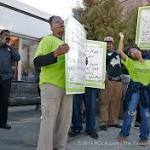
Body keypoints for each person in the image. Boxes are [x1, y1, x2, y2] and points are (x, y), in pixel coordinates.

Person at [34, 16, 72, 150]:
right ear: (51, 26)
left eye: (62, 22)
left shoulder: (69, 43)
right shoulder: (47, 40)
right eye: (57, 22)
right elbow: (37, 62)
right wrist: (56, 53)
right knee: (49, 120)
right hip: (51, 85)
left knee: (64, 122)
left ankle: (59, 146)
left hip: (68, 87)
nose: (61, 23)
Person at [117, 32, 150, 146]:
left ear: (140, 51)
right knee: (130, 112)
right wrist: (122, 38)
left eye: (134, 50)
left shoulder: (149, 62)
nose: (133, 52)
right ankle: (123, 134)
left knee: (145, 115)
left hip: (146, 92)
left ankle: (144, 137)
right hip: (135, 91)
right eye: (130, 52)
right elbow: (120, 52)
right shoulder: (130, 63)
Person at [99, 36, 123, 131]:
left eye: (110, 43)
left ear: (113, 44)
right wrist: (121, 39)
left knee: (116, 102)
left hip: (118, 82)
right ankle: (103, 122)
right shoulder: (102, 54)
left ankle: (113, 121)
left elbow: (120, 51)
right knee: (104, 101)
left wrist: (121, 39)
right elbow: (117, 51)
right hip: (107, 81)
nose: (108, 44)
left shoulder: (117, 54)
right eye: (106, 43)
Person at [0, 30, 20, 129]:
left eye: (8, 35)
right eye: (5, 35)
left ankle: (3, 123)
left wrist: (10, 46)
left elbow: (17, 57)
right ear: (1, 36)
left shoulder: (10, 48)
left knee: (4, 101)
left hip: (6, 78)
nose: (7, 36)